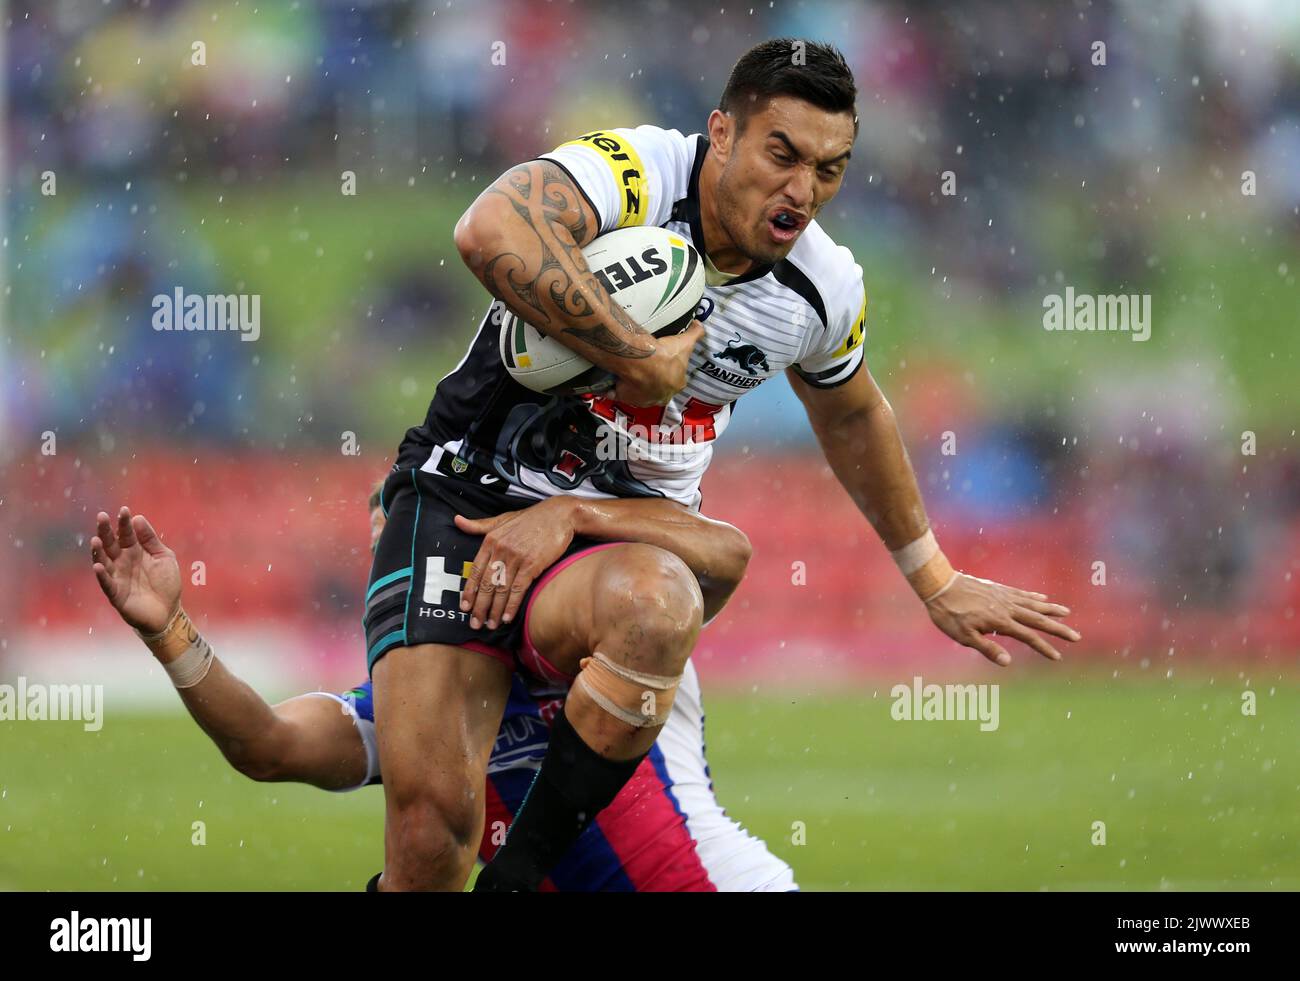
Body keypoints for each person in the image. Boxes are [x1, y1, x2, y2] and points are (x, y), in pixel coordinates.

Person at [369, 37, 1080, 892]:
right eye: (782, 154)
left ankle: (517, 881)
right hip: (469, 495)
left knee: (663, 603)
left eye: (830, 169)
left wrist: (933, 578)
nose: (802, 191)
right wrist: (636, 351)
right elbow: (489, 228)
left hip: (614, 537)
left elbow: (853, 410)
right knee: (429, 830)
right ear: (722, 134)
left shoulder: (824, 290)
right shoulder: (637, 173)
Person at [88, 488, 796, 891]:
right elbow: (265, 744)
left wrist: (577, 514)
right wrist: (168, 629)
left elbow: (726, 556)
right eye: (391, 540)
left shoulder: (614, 621)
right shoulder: (412, 714)